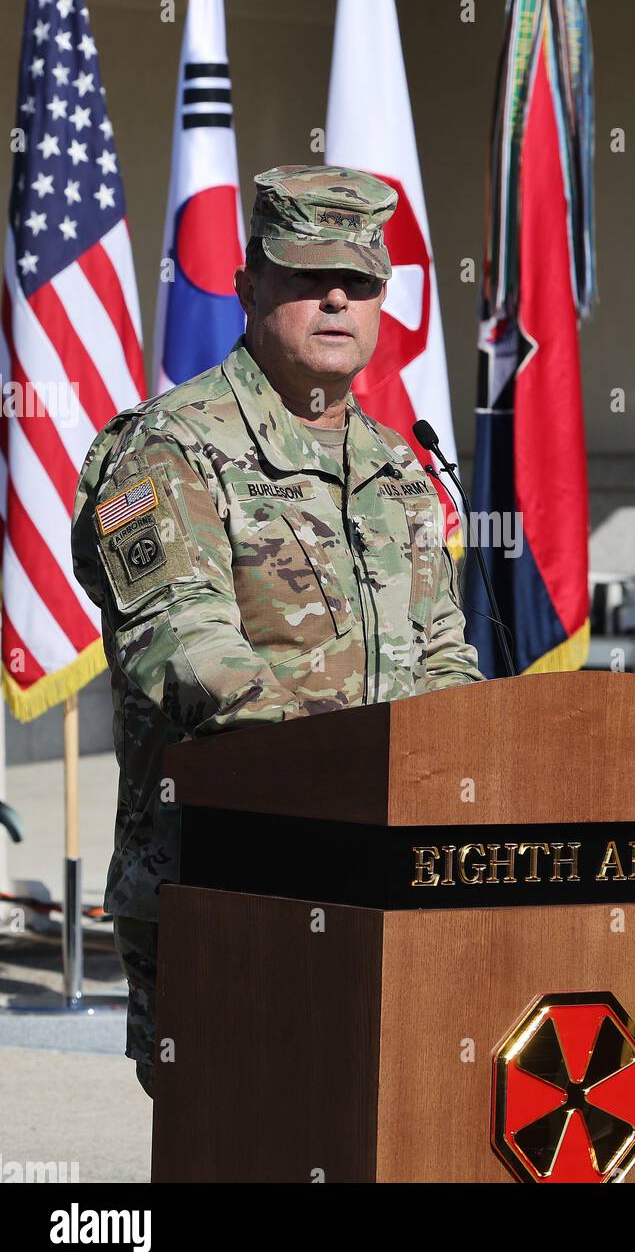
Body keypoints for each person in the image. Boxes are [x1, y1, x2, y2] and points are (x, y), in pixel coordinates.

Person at [71, 165, 483, 1098]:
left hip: (398, 881)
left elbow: (443, 656)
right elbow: (179, 642)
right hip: (232, 884)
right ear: (248, 286)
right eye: (305, 276)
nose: (336, 297)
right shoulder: (168, 447)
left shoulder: (397, 468)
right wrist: (342, 769)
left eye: (360, 282)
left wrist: (476, 769)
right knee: (246, 1138)